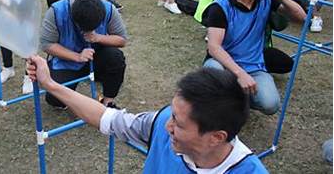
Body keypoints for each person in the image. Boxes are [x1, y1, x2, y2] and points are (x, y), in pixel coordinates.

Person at [27, 56, 269, 173]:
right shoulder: (162, 121)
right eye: (173, 115)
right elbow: (106, 118)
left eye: (179, 124)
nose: (168, 126)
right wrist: (51, 84)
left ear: (216, 137)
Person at [203, 0, 306, 115]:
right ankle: (226, 100)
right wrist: (240, 73)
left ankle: (236, 100)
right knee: (212, 69)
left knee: (271, 104)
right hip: (224, 64)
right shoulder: (221, 6)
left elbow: (302, 18)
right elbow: (214, 47)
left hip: (254, 66)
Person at [40, 0, 127, 108]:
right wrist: (77, 56)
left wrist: (98, 37)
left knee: (115, 57)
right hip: (67, 61)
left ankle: (108, 102)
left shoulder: (109, 9)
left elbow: (122, 40)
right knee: (56, 100)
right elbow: (47, 44)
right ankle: (73, 86)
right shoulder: (56, 11)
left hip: (95, 56)